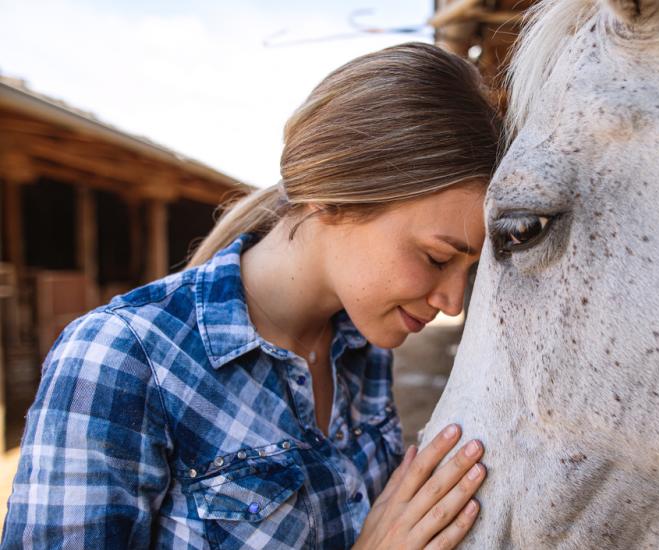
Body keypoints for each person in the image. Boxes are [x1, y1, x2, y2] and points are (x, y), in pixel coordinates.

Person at [1, 42, 500, 549]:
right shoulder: (120, 358)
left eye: (469, 269)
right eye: (437, 259)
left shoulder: (360, 347)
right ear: (333, 197)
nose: (454, 302)